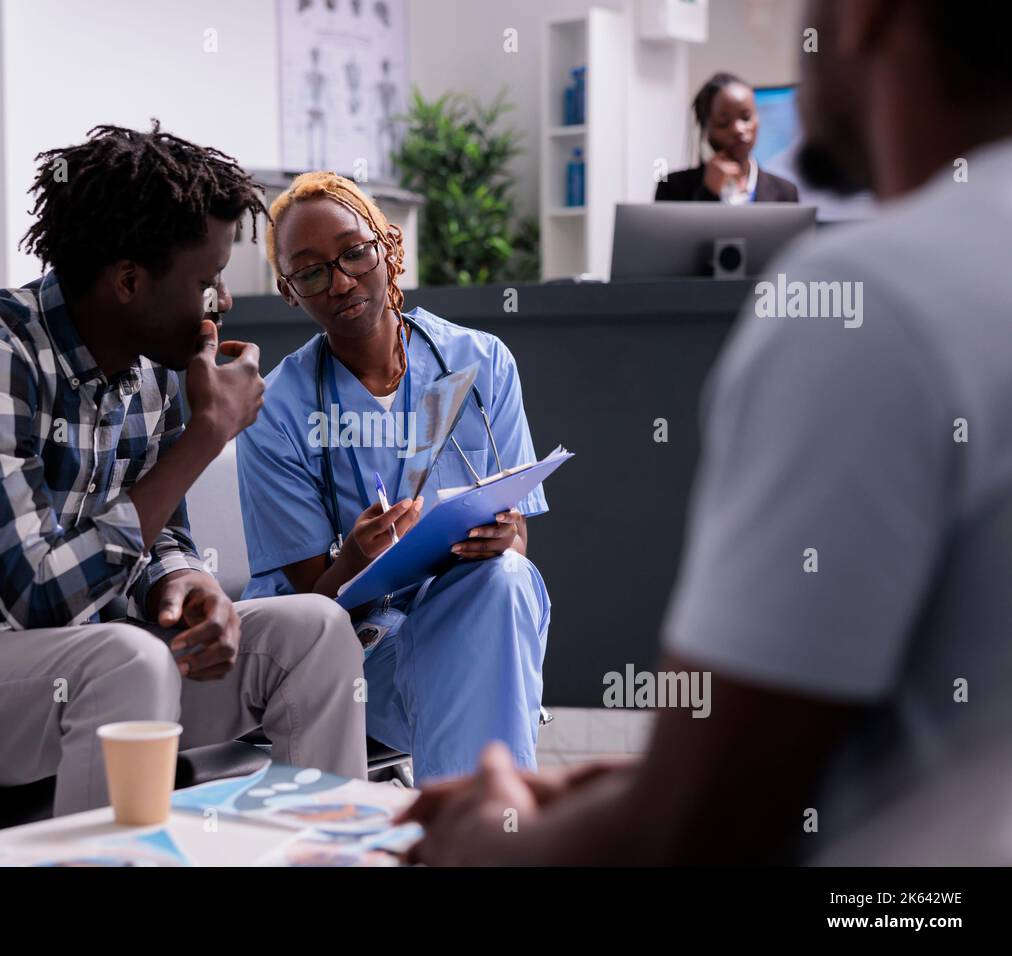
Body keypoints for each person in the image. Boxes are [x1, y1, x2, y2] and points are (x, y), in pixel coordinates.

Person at [402, 0, 1012, 864]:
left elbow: (698, 833)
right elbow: (871, 736)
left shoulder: (865, 307)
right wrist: (643, 785)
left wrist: (487, 841)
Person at [0, 125, 368, 815]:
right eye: (206, 281)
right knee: (128, 660)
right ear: (129, 281)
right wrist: (207, 435)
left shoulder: (152, 367)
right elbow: (41, 599)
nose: (222, 301)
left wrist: (185, 585)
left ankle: (328, 852)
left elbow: (161, 538)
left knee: (313, 631)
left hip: (83, 668)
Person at [235, 172, 551, 783]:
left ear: (387, 245)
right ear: (289, 292)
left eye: (355, 252)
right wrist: (354, 556)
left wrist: (501, 536)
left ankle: (469, 827)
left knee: (506, 576)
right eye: (311, 272)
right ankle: (492, 824)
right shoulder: (274, 409)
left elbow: (518, 542)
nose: (342, 281)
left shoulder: (482, 363)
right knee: (473, 657)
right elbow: (311, 606)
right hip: (348, 660)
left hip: (469, 620)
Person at [656, 72, 799, 204]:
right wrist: (708, 192)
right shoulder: (672, 187)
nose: (738, 129)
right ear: (706, 129)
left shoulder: (786, 192)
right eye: (723, 123)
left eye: (746, 117)